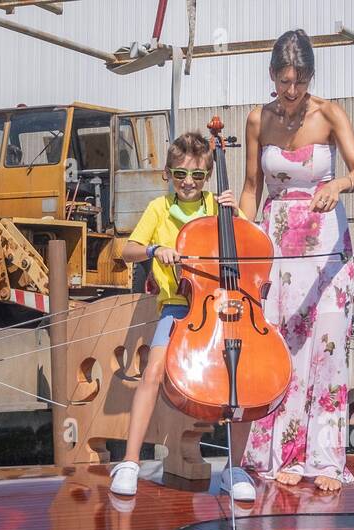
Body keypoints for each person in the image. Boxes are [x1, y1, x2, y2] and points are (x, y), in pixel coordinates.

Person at [237, 29, 354, 493]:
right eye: (284, 80)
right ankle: (282, 455)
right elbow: (252, 188)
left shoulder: (329, 113)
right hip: (277, 249)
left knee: (328, 351)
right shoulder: (257, 119)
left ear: (311, 77)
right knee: (283, 350)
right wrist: (240, 238)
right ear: (272, 75)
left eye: (300, 80)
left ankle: (326, 459)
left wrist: (337, 186)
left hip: (327, 249)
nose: (291, 91)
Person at [108, 131, 256, 502]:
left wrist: (233, 212)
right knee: (153, 373)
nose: (188, 183)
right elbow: (126, 250)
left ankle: (234, 468)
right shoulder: (159, 208)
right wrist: (156, 250)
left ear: (207, 175)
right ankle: (129, 462)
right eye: (180, 175)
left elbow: (249, 244)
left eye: (197, 176)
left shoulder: (217, 205)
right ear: (168, 174)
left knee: (244, 377)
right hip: (178, 305)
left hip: (223, 305)